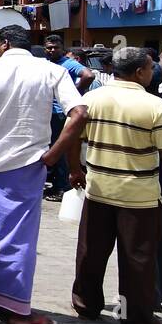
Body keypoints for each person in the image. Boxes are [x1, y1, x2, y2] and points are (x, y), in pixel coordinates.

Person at [0, 25, 86, 324]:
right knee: (18, 239)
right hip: (26, 165)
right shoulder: (51, 71)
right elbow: (79, 113)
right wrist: (53, 155)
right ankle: (16, 310)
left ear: (3, 43)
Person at [67, 46, 162, 324]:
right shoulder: (155, 106)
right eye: (149, 68)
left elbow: (73, 138)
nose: (152, 72)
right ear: (139, 72)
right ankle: (136, 318)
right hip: (139, 196)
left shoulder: (91, 99)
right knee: (137, 258)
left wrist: (75, 169)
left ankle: (86, 305)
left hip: (98, 188)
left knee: (91, 251)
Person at [44, 34, 94, 201]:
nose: (52, 50)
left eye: (55, 47)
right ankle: (56, 184)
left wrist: (75, 92)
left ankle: (63, 188)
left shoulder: (68, 63)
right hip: (49, 113)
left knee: (61, 150)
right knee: (52, 148)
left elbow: (88, 75)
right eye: (49, 47)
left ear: (62, 49)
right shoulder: (47, 64)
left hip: (60, 113)